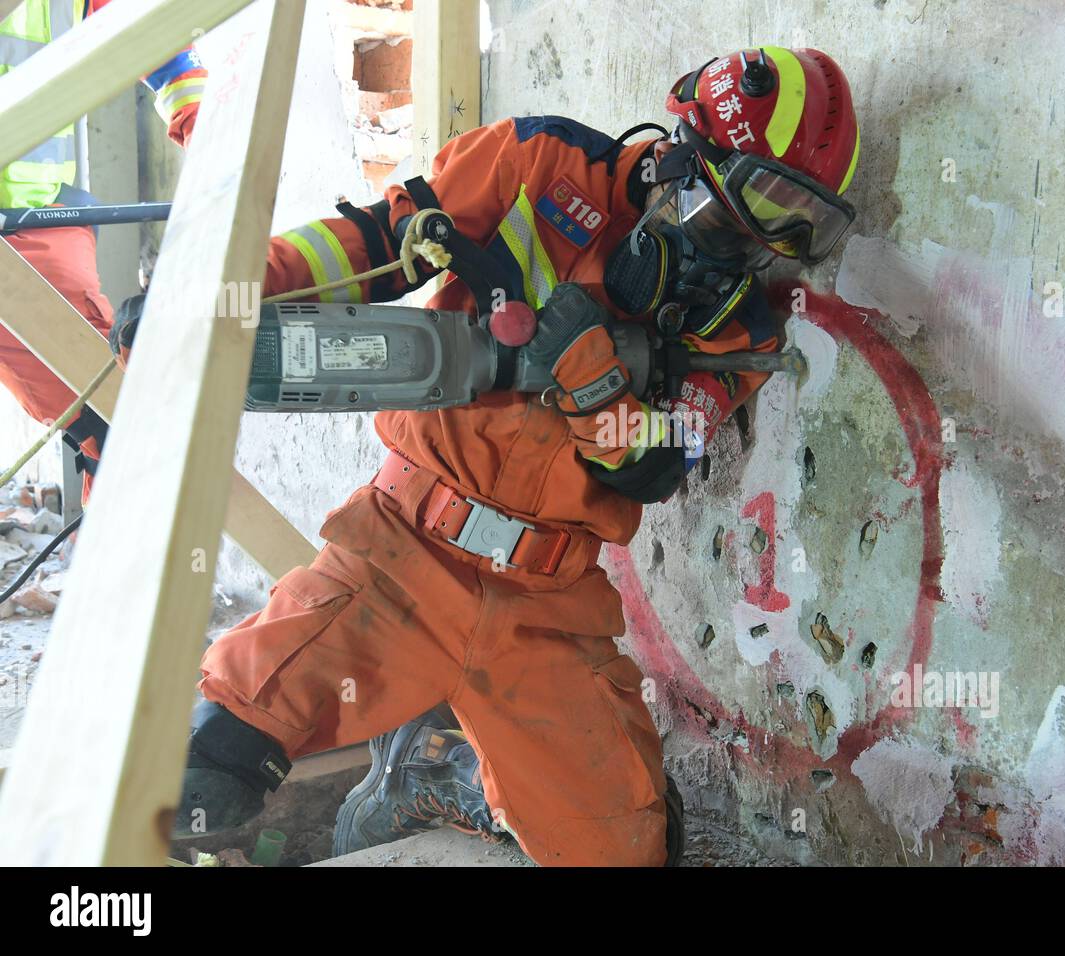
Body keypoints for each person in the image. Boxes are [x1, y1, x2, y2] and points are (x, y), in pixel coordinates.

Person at [154, 46, 858, 866]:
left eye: (792, 219)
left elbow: (656, 468)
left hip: (547, 605)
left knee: (632, 853)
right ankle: (421, 751)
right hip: (396, 558)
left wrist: (598, 392)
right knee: (203, 774)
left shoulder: (740, 330)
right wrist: (223, 295)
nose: (756, 239)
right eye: (756, 197)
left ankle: (446, 772)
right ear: (686, 154)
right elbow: (376, 241)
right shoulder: (543, 162)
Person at [0, 0, 204, 500]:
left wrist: (205, 129)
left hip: (33, 224)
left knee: (109, 416)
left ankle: (127, 567)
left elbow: (149, 35)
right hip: (29, 227)